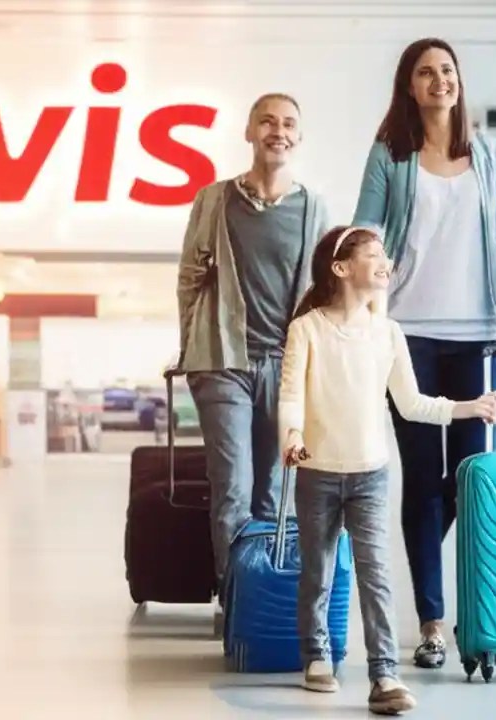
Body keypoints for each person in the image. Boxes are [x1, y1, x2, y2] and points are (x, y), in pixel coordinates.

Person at [352, 37, 496, 670]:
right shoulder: (391, 156)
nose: (440, 81)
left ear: (460, 81)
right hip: (406, 333)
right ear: (410, 86)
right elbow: (365, 237)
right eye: (426, 72)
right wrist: (367, 321)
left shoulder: (493, 157)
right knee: (422, 478)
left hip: (477, 336)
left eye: (447, 70)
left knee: (468, 481)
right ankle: (433, 621)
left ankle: (445, 580)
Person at [279, 225, 496, 714]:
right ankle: (316, 654)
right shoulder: (308, 329)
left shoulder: (389, 333)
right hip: (316, 470)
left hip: (371, 475)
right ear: (341, 268)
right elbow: (291, 394)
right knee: (317, 572)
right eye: (374, 255)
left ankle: (384, 676)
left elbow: (412, 403)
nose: (386, 263)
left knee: (376, 574)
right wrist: (291, 435)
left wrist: (470, 408)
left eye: (386, 256)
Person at [175, 92, 331, 588]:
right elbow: (189, 279)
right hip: (223, 363)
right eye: (266, 121)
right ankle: (235, 598)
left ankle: (265, 592)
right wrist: (191, 347)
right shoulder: (215, 200)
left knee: (274, 492)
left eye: (288, 123)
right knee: (233, 489)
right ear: (249, 131)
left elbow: (326, 292)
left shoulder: (314, 209)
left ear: (299, 137)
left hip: (286, 367)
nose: (277, 131)